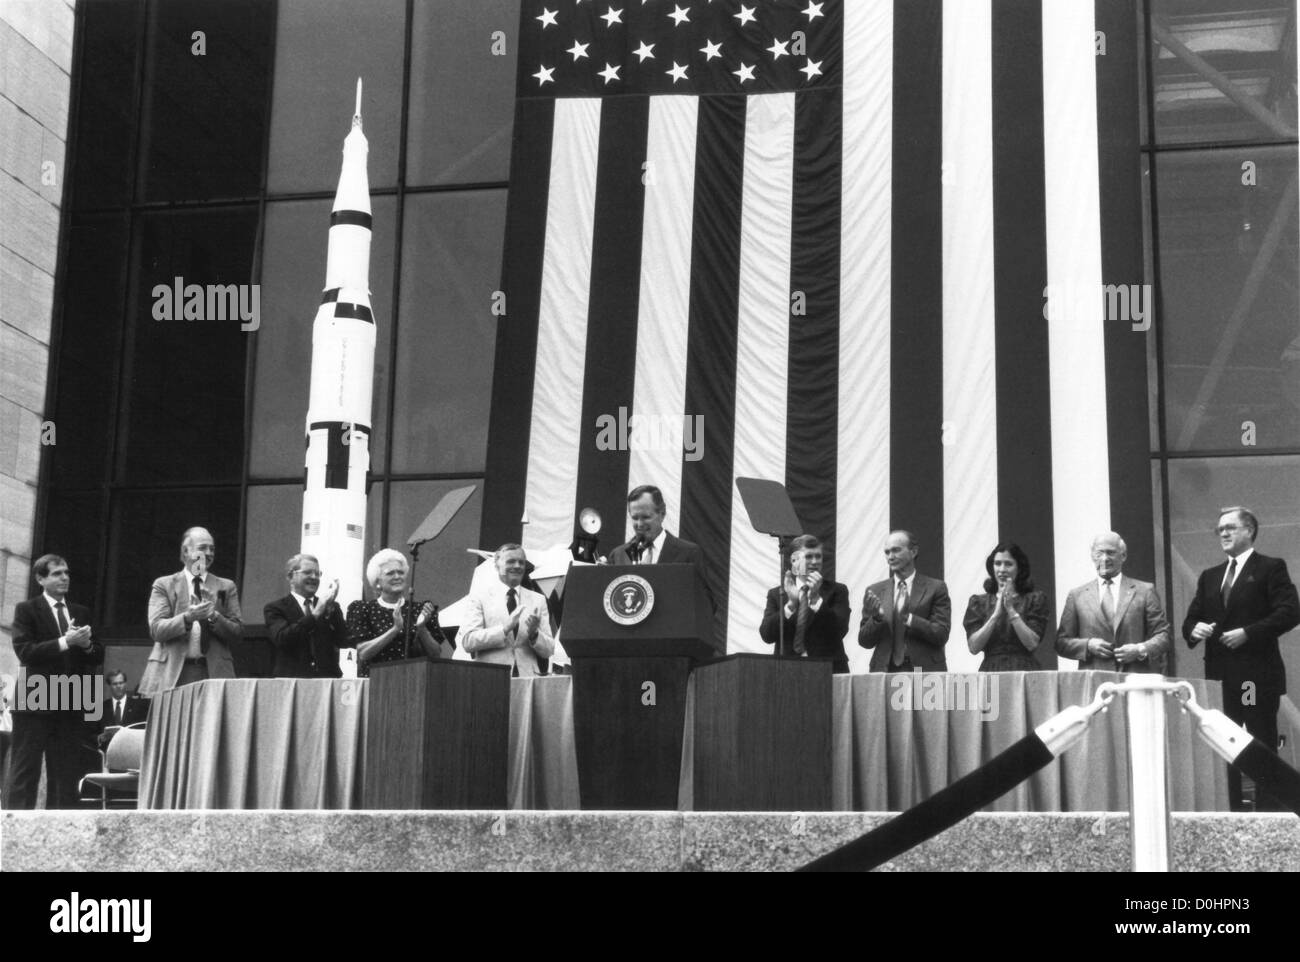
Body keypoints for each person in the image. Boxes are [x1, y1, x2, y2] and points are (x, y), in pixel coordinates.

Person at [1182, 506, 1299, 810]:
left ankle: (1267, 813)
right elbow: (1189, 622)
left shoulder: (1270, 568)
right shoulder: (1210, 576)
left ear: (1249, 530)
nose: (1223, 533)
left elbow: (1289, 612)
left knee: (1257, 739)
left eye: (1230, 527)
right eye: (1219, 529)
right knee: (1224, 743)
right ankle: (1230, 811)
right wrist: (1195, 630)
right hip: (1220, 681)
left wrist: (1248, 632)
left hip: (1252, 681)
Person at [5, 554, 104, 809]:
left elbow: (98, 655)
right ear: (40, 578)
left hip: (70, 699)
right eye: (57, 573)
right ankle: (15, 830)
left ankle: (62, 832)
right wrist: (65, 642)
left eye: (67, 573)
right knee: (25, 769)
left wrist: (86, 644)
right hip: (35, 696)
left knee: (66, 774)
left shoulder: (81, 612)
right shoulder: (27, 609)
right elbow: (25, 651)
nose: (64, 578)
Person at [608, 484, 719, 649]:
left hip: (673, 648)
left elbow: (707, 605)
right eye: (634, 517)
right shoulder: (618, 555)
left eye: (646, 517)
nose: (639, 524)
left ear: (662, 513)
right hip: (627, 648)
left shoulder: (689, 553)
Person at [139, 526, 241, 696]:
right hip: (172, 673)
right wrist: (188, 617)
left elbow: (237, 632)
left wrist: (214, 616)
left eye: (212, 549)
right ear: (186, 551)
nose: (208, 553)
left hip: (213, 673)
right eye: (202, 548)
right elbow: (157, 630)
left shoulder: (226, 587)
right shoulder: (164, 584)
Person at [1056, 532, 1171, 673]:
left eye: (1110, 553)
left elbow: (1163, 636)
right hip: (1094, 681)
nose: (1104, 559)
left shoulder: (1145, 591)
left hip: (1133, 681)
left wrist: (1139, 649)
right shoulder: (1077, 595)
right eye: (1099, 553)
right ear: (1092, 556)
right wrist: (1087, 645)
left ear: (1123, 556)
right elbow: (1061, 643)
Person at [858, 530, 952, 672]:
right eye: (887, 552)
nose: (890, 557)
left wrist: (909, 619)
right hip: (885, 671)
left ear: (913, 552)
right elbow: (865, 641)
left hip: (925, 672)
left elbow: (941, 634)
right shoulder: (875, 591)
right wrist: (877, 619)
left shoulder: (936, 588)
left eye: (896, 550)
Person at [458, 544, 555, 677]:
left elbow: (549, 650)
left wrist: (534, 635)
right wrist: (504, 629)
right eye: (511, 561)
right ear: (496, 565)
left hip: (527, 679)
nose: (517, 566)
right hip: (490, 677)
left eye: (521, 562)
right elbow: (468, 641)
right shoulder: (479, 597)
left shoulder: (538, 600)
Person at [759, 534, 851, 673]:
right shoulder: (777, 594)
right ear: (794, 561)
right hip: (787, 671)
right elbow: (766, 635)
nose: (814, 562)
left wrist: (816, 600)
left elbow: (840, 631)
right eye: (808, 557)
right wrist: (790, 605)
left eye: (818, 556)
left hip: (829, 670)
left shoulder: (837, 590)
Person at [346, 549, 443, 677]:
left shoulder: (420, 609)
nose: (397, 576)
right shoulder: (363, 609)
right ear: (377, 581)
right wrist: (395, 629)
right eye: (390, 573)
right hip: (376, 682)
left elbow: (435, 654)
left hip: (413, 681)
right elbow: (363, 653)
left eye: (400, 572)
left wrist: (422, 628)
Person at [964, 542, 1050, 672]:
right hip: (991, 671)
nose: (1002, 569)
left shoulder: (1034, 600)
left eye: (1008, 564)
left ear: (1019, 568)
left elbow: (1032, 643)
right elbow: (974, 647)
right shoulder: (979, 602)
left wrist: (1011, 610)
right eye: (998, 563)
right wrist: (995, 615)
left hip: (1025, 670)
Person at [265, 553, 348, 678]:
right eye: (308, 572)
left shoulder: (330, 606)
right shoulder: (275, 608)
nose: (314, 577)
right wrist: (315, 614)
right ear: (290, 576)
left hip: (327, 680)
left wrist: (330, 612)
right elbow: (283, 638)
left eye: (317, 573)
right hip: (291, 681)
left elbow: (343, 641)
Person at [96, 670, 150, 750]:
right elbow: (90, 733)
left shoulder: (139, 706)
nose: (118, 686)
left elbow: (145, 729)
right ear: (109, 686)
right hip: (108, 752)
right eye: (115, 684)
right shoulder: (101, 708)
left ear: (125, 684)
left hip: (132, 751)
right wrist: (99, 738)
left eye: (121, 683)